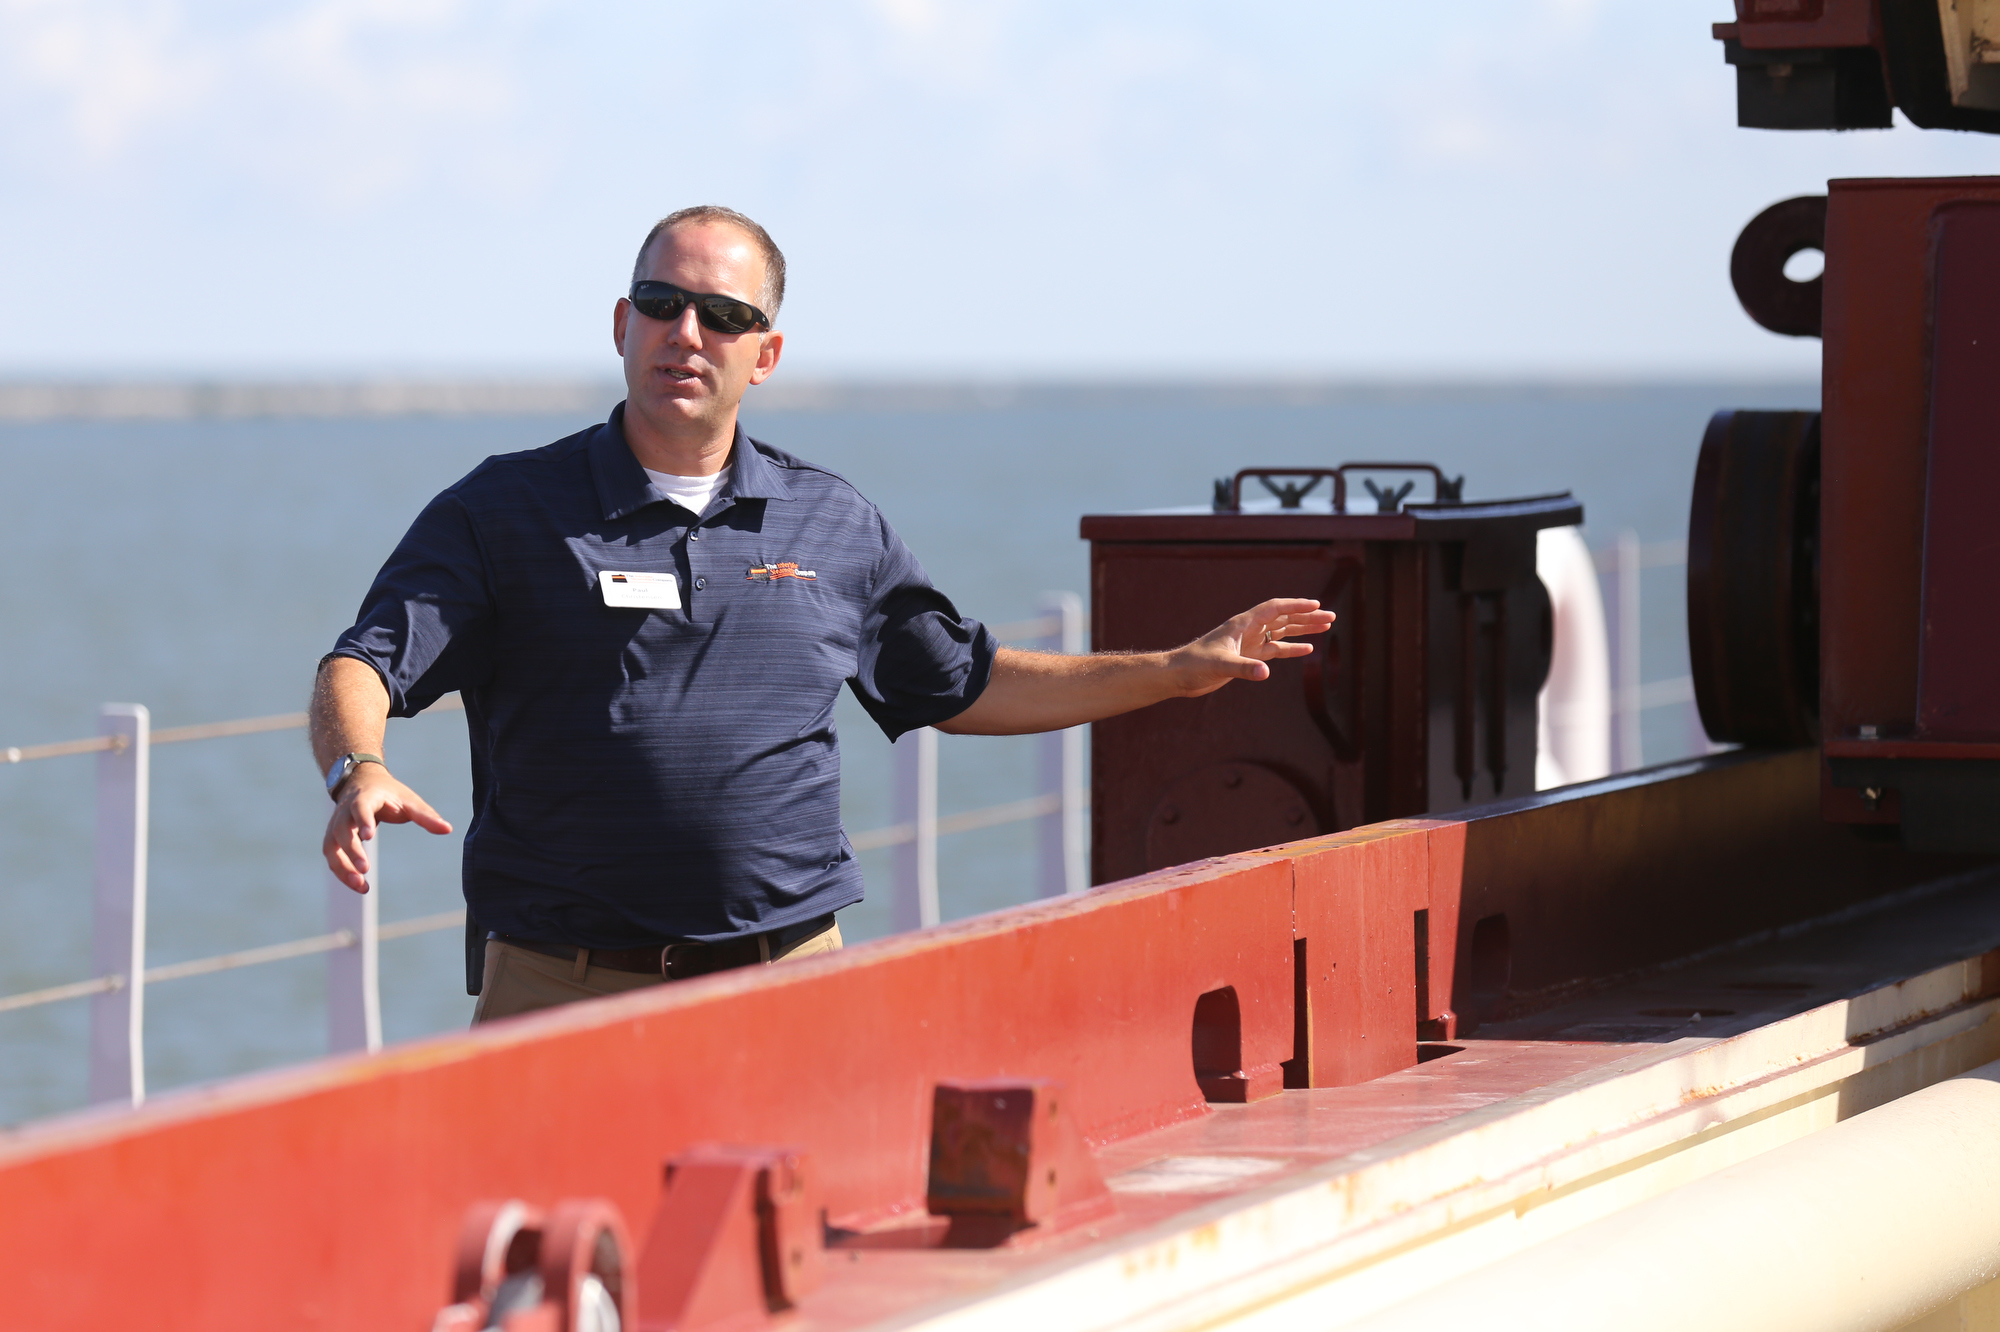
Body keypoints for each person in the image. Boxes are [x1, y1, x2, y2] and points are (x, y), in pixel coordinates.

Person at [310, 205, 1333, 1023]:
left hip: (787, 979)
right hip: (560, 986)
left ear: (767, 353)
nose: (686, 333)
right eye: (660, 303)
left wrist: (1174, 668)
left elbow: (961, 683)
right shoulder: (505, 510)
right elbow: (363, 664)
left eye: (723, 315)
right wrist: (358, 769)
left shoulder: (832, 522)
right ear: (621, 325)